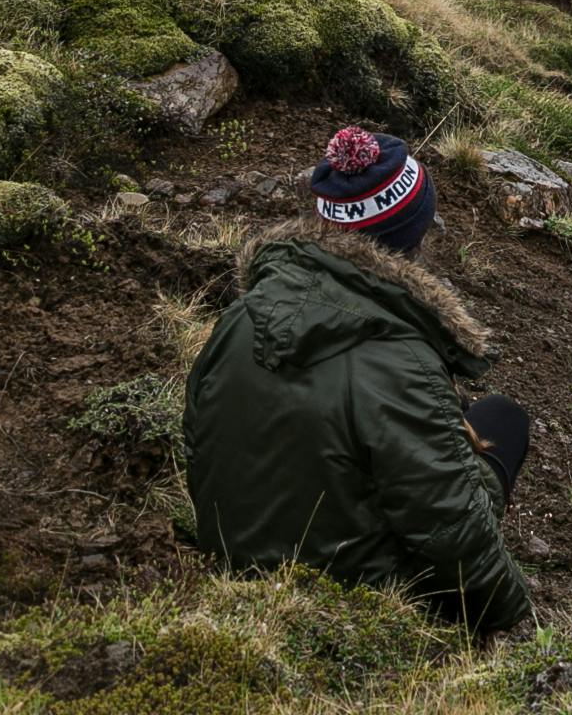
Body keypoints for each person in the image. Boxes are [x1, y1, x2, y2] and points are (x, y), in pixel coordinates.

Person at [184, 127, 534, 632]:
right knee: (503, 420)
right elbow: (449, 525)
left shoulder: (242, 314)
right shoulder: (399, 359)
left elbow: (196, 437)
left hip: (230, 556)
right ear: (411, 234)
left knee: (445, 420)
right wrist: (513, 619)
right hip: (344, 594)